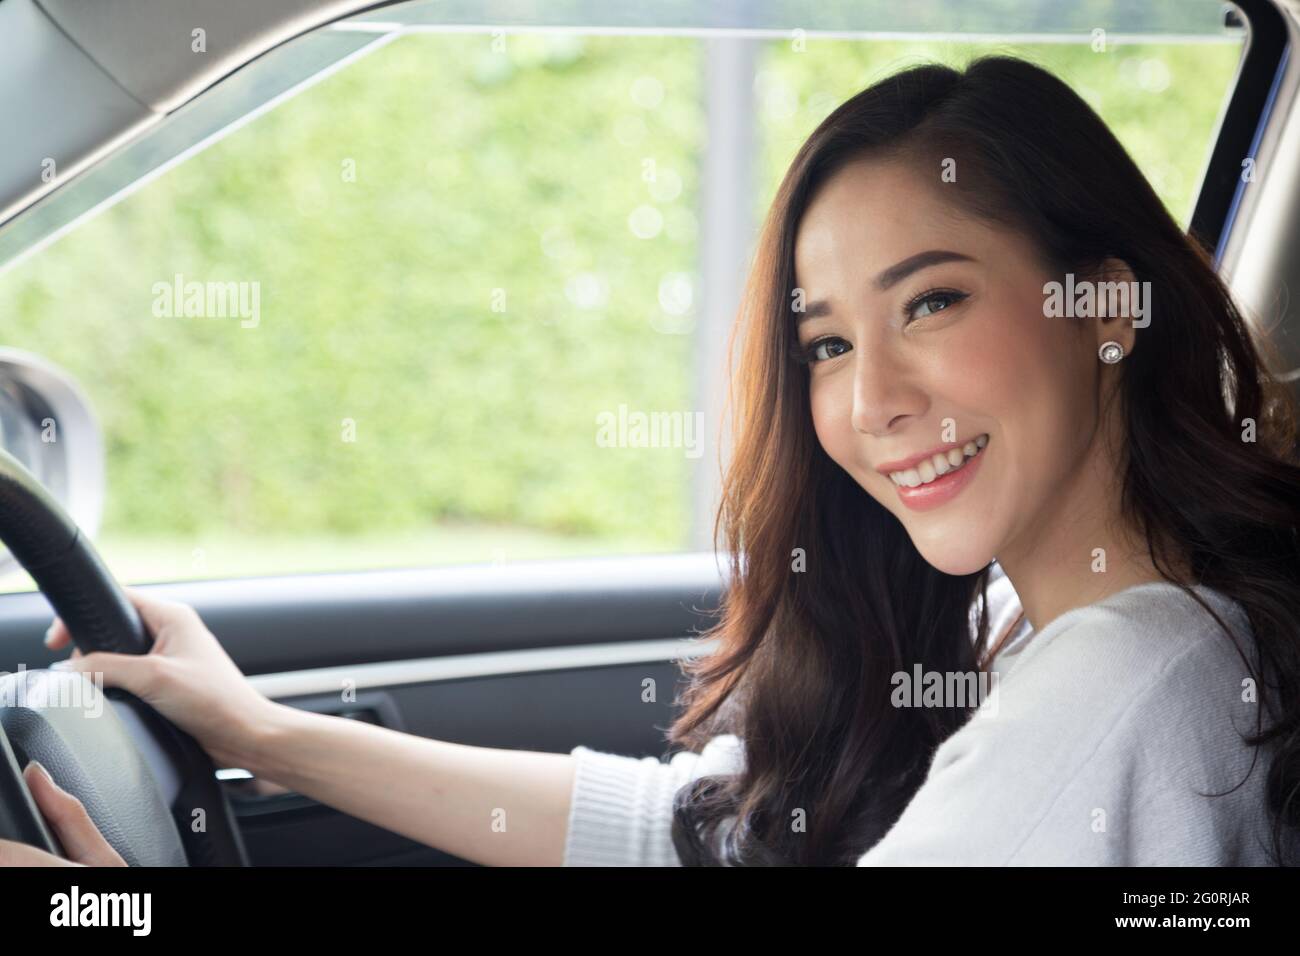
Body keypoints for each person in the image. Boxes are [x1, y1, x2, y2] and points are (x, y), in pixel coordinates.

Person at [3, 54, 1299, 867]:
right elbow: (691, 833)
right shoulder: (1047, 618)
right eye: (830, 344)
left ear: (1106, 309)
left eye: (934, 304)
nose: (874, 399)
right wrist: (267, 737)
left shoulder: (1127, 689)